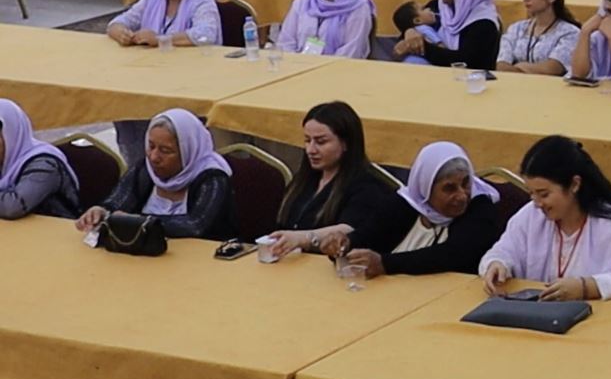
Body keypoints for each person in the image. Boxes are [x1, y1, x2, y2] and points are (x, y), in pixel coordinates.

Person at [479, 136, 611, 300]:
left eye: (544, 194)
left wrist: (586, 287)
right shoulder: (530, 216)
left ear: (574, 184)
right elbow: (504, 250)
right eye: (531, 193)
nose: (537, 203)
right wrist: (496, 264)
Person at [341, 141, 503, 278]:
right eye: (449, 188)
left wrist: (385, 264)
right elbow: (370, 235)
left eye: (466, 183)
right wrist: (346, 242)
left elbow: (454, 255)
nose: (462, 196)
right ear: (426, 188)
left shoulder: (480, 208)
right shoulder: (406, 202)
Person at [74, 109, 236, 241]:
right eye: (151, 146)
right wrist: (102, 211)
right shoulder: (145, 170)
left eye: (165, 150)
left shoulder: (213, 179)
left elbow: (195, 226)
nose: (154, 157)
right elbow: (119, 201)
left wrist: (137, 221)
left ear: (188, 151)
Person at [262, 101, 393, 258]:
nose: (311, 150)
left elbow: (349, 229)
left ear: (346, 143)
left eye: (321, 142)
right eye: (307, 140)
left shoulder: (367, 186)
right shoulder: (304, 180)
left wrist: (302, 239)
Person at [393, 0, 503, 69]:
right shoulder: (439, 5)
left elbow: (464, 62)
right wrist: (409, 31)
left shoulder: (484, 24)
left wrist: (422, 48)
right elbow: (414, 21)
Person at [0, 99, 81, 220]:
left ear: (10, 134)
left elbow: (12, 207)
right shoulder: (4, 160)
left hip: (56, 230)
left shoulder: (45, 164)